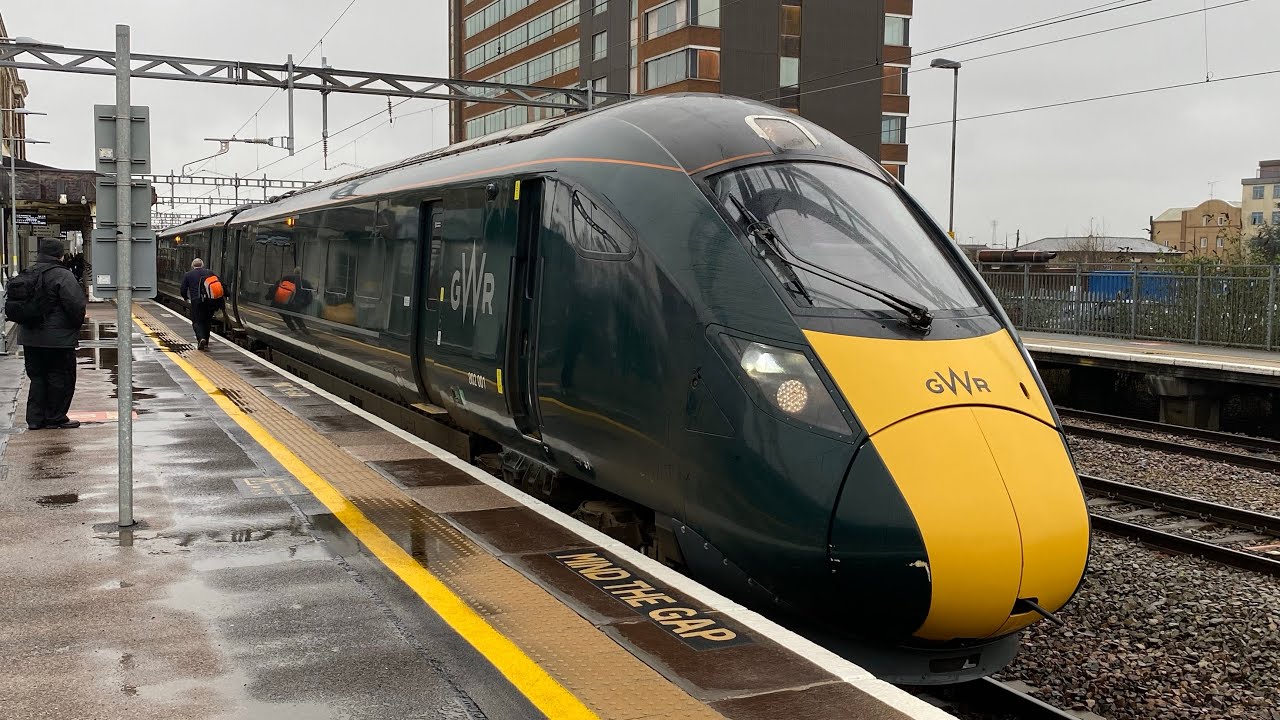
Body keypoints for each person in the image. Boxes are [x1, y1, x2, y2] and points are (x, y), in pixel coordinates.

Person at [18, 238, 88, 430]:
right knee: (60, 378)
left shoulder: (28, 272)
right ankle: (55, 417)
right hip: (58, 340)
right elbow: (76, 305)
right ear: (60, 255)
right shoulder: (63, 275)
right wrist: (73, 328)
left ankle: (34, 419)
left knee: (38, 378)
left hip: (29, 338)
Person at [179, 258, 222, 350]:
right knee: (207, 321)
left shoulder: (188, 275)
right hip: (209, 302)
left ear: (192, 266)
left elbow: (183, 289)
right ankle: (206, 342)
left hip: (196, 302)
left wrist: (186, 298)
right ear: (202, 265)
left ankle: (201, 338)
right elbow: (218, 283)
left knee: (197, 322)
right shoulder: (209, 273)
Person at [267, 267, 314, 334]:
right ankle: (304, 330)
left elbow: (275, 288)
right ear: (301, 273)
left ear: (294, 272)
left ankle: (293, 329)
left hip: (283, 304)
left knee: (286, 317)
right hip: (296, 305)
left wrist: (268, 297)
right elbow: (309, 297)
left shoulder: (286, 278)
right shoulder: (306, 283)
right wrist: (303, 305)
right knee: (297, 318)